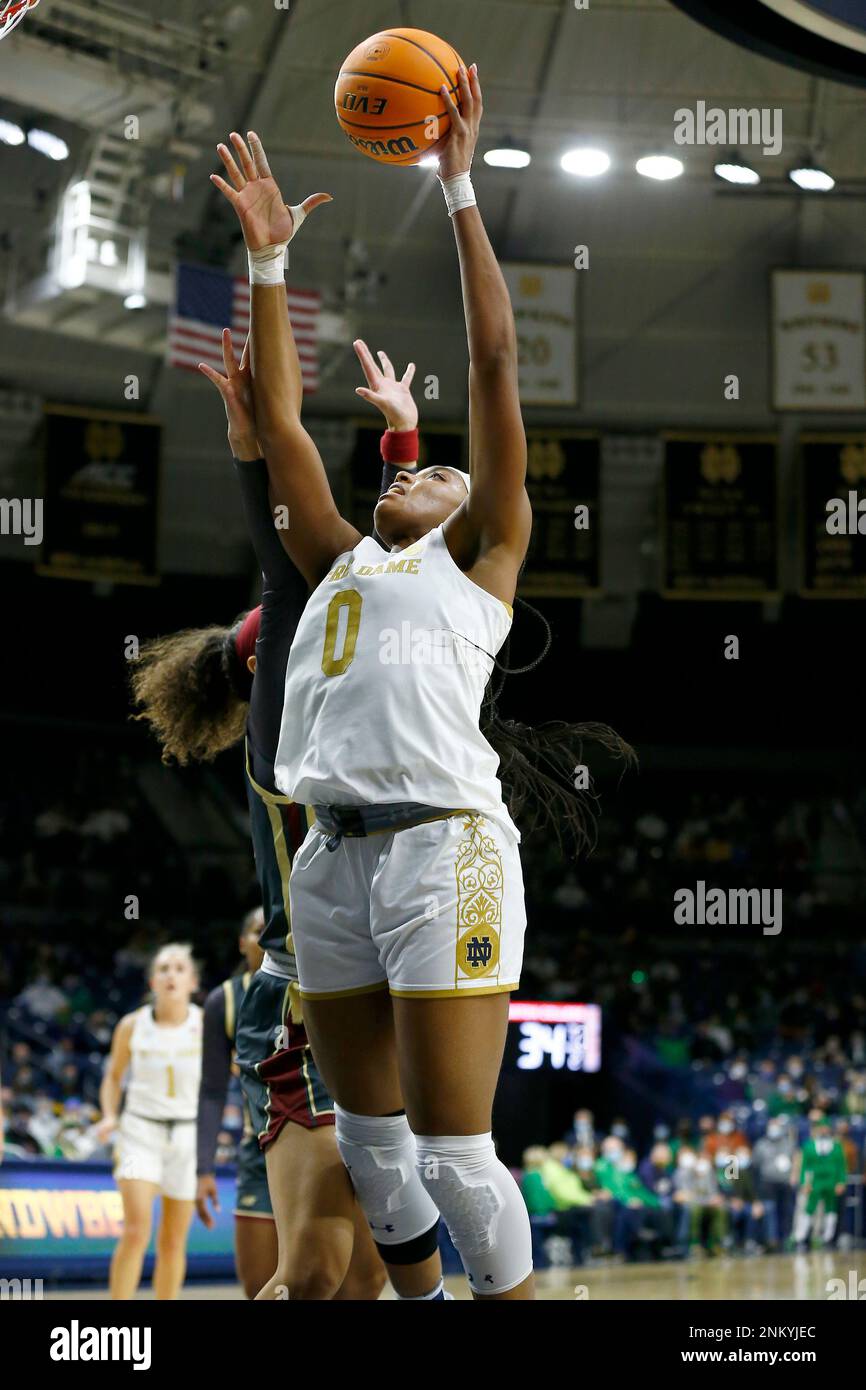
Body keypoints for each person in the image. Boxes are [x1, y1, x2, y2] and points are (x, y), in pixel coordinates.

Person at [209, 65, 630, 1301]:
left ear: (471, 507)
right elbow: (281, 427)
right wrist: (270, 265)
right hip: (329, 858)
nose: (420, 470)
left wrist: (454, 183)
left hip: (445, 848)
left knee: (450, 1148)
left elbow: (493, 359)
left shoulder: (482, 558)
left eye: (437, 467)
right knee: (376, 1147)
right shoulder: (337, 559)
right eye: (412, 465)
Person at [130, 332, 399, 1301]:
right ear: (269, 662)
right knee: (316, 1274)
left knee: (372, 1274)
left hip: (381, 992)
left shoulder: (361, 685)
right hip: (304, 997)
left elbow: (388, 557)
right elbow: (287, 561)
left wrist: (401, 450)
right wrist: (251, 441)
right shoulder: (288, 710)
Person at [98, 944, 202, 1300]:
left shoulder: (206, 1024)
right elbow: (113, 1077)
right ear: (152, 980)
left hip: (189, 1134)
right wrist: (111, 1115)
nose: (170, 974)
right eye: (163, 968)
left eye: (178, 968)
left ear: (193, 981)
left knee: (173, 1241)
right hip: (138, 1130)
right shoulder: (132, 1025)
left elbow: (229, 1073)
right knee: (136, 1230)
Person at [196, 908, 276, 1299]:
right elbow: (212, 1091)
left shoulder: (322, 983)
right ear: (242, 941)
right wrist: (203, 1169)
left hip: (327, 1149)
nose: (267, 938)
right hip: (259, 1151)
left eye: (276, 928)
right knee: (259, 1288)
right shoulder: (224, 1001)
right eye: (259, 931)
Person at [793, 1117, 848, 1249]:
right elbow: (804, 1166)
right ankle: (801, 1237)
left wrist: (841, 1181)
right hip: (814, 1181)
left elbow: (842, 1166)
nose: (823, 1130)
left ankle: (828, 1237)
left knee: (831, 1209)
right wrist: (804, 1183)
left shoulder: (836, 1146)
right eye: (821, 1127)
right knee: (809, 1209)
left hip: (831, 1181)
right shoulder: (809, 1146)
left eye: (825, 1127)